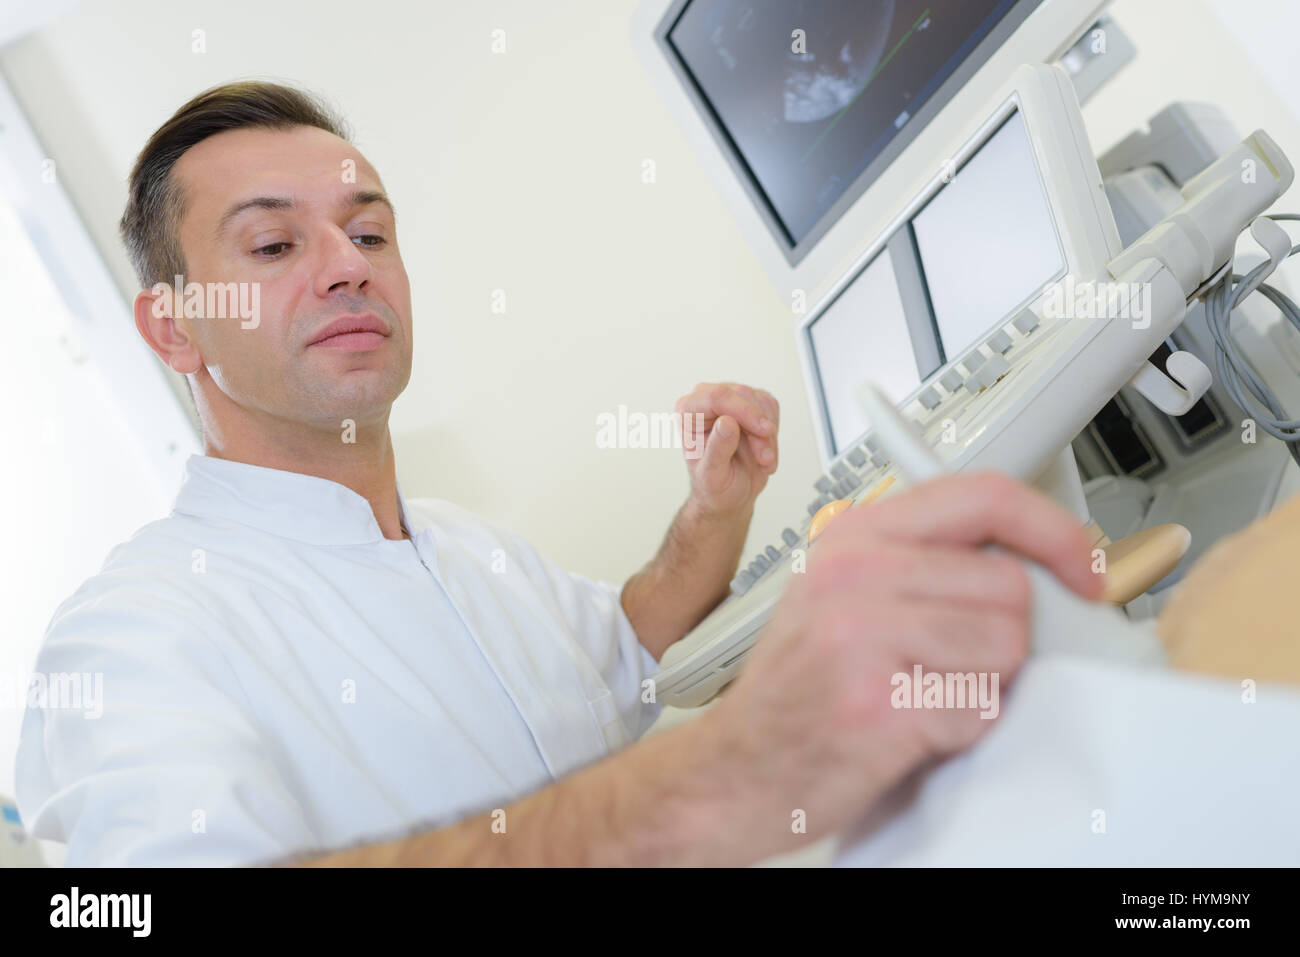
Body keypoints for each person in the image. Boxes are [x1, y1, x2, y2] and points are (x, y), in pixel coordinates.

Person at [15, 82, 1102, 866]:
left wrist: (712, 515)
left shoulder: (463, 549)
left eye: (368, 231)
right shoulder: (133, 633)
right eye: (272, 247)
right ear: (174, 331)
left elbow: (629, 648)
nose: (346, 264)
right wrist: (715, 779)